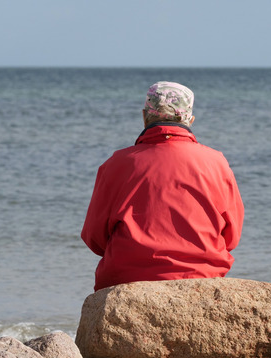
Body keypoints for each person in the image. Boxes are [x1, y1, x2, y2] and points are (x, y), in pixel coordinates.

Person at [81, 81, 244, 291]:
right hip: (203, 275)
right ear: (190, 120)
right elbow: (232, 236)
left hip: (126, 278)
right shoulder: (216, 162)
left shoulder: (116, 163)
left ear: (144, 116)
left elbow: (94, 238)